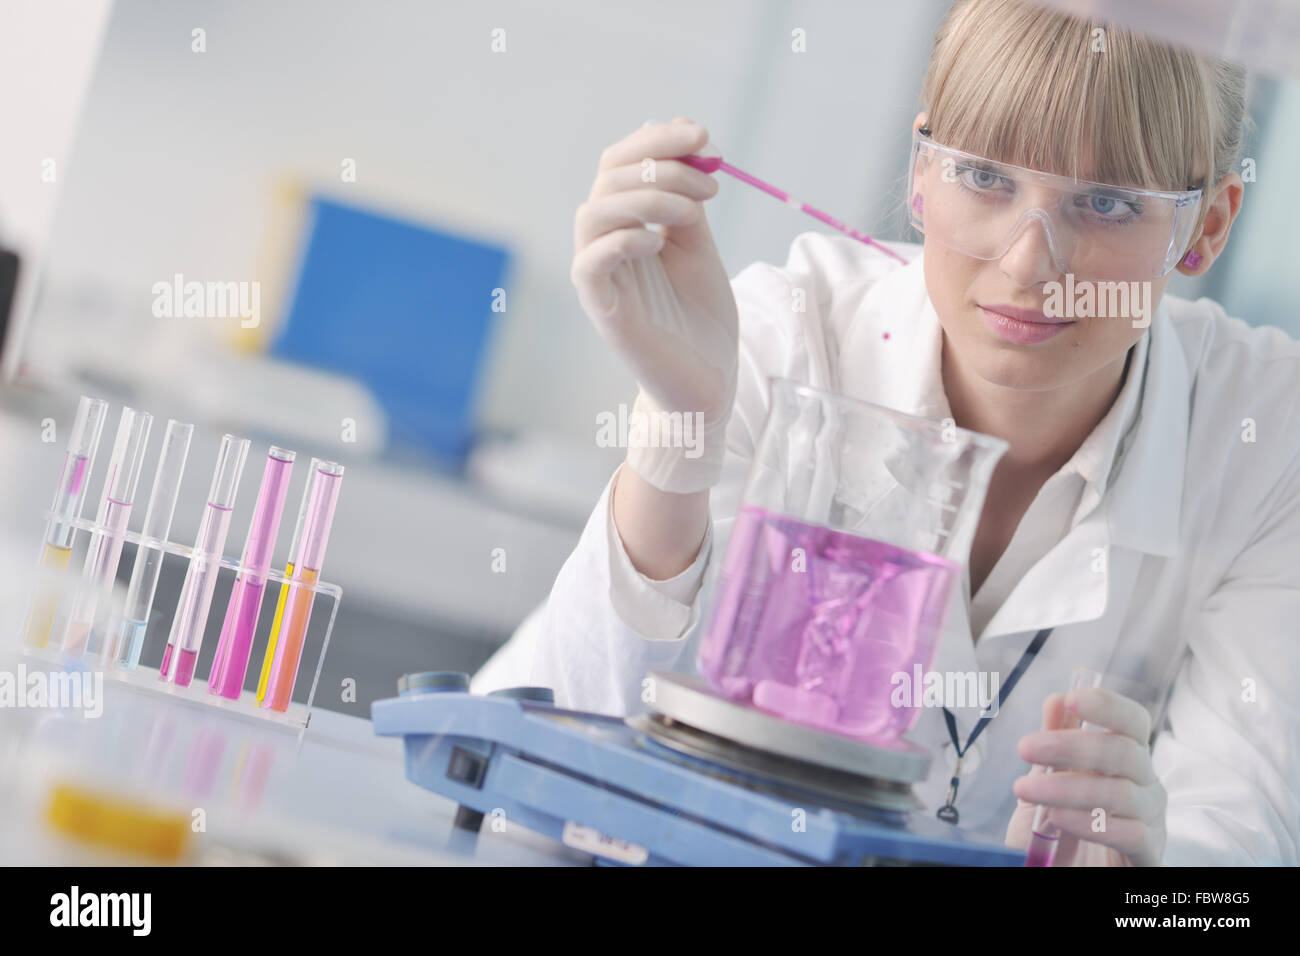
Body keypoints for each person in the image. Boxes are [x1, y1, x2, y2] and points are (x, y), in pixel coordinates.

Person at [474, 0, 1299, 866]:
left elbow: (1232, 850)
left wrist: (1145, 882)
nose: (1027, 264)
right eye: (985, 178)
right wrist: (680, 424)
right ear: (920, 173)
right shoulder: (784, 331)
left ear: (1206, 226)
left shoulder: (1266, 432)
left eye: (1105, 203)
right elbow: (571, 765)